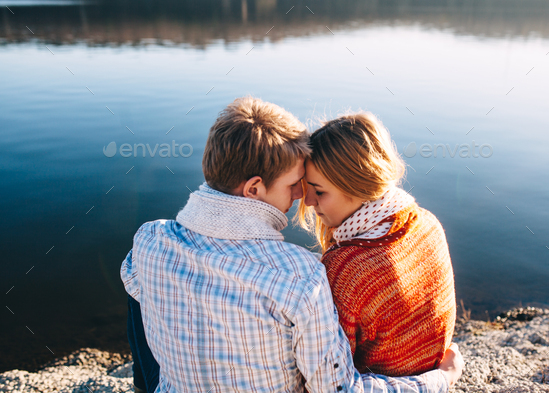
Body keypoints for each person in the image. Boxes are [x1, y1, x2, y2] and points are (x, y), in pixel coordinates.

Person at [121, 97, 464, 393]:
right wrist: (439, 380)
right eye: (292, 184)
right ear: (254, 189)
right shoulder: (300, 275)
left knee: (136, 280)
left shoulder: (150, 238)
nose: (302, 196)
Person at [298, 112, 456, 377]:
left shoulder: (346, 268)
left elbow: (332, 374)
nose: (309, 201)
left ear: (358, 187)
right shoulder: (428, 223)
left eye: (319, 191)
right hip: (428, 375)